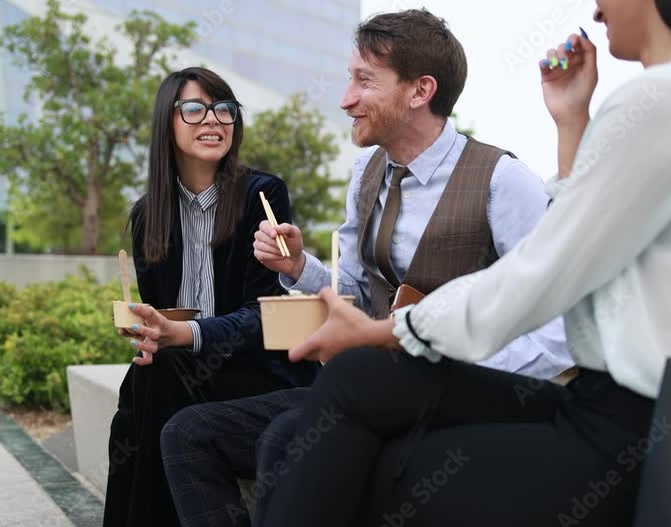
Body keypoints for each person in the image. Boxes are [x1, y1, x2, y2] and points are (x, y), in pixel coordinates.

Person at [258, 0, 671, 525]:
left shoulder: (668, 99)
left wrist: (387, 331)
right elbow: (585, 239)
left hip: (629, 431)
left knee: (364, 459)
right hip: (627, 408)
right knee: (349, 389)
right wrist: (572, 121)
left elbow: (542, 270)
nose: (596, 10)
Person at [160, 10, 574, 527]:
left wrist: (460, 377)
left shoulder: (504, 181)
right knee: (188, 435)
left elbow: (561, 325)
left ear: (420, 91)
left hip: (453, 402)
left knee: (283, 444)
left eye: (363, 81)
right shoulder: (366, 174)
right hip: (364, 386)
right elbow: (352, 290)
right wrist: (299, 267)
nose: (345, 99)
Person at [102, 66, 318, 527]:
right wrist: (150, 332)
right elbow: (164, 316)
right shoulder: (148, 216)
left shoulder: (262, 195)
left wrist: (183, 335)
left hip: (260, 373)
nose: (213, 120)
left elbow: (265, 317)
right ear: (167, 121)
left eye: (224, 109)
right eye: (194, 109)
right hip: (181, 373)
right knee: (144, 388)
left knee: (148, 391)